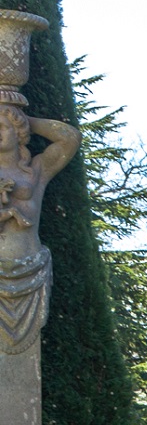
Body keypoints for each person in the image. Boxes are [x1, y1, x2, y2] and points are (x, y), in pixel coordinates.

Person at [0, 105, 77, 357]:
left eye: (1, 127)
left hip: (32, 271)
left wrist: (23, 118)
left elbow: (70, 138)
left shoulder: (36, 172)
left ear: (17, 132)